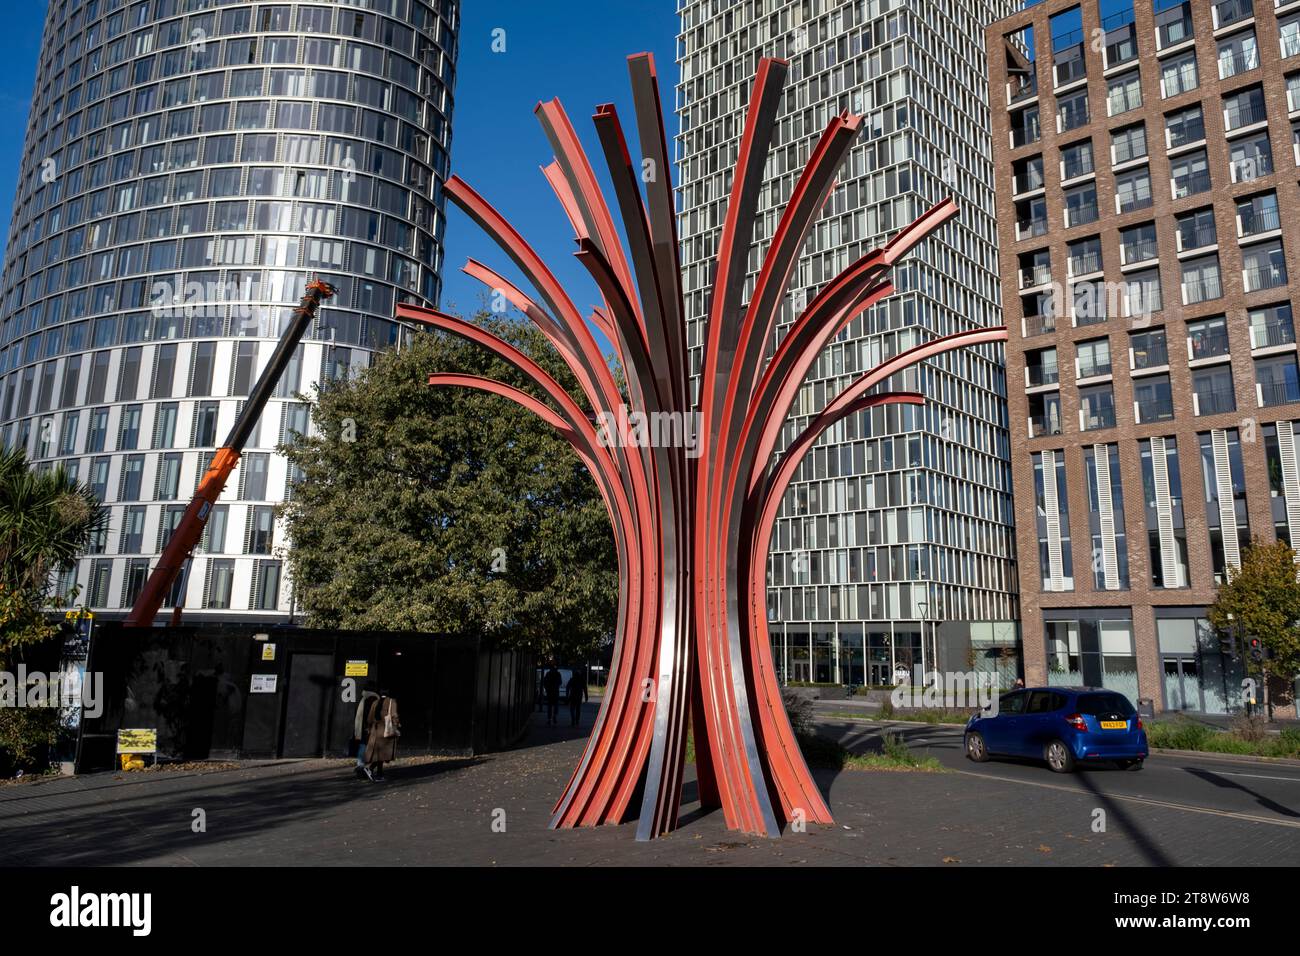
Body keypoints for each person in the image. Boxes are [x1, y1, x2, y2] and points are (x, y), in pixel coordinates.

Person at [362, 691, 400, 781]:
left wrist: (369, 728)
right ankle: (371, 769)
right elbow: (394, 715)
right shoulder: (391, 701)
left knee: (378, 754)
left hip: (375, 731)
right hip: (386, 730)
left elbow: (369, 718)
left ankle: (378, 773)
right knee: (383, 754)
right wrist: (397, 725)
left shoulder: (375, 702)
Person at [352, 689, 378, 779]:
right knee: (367, 746)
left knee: (362, 745)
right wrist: (368, 726)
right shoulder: (372, 698)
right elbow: (370, 714)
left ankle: (360, 766)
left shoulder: (363, 698)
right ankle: (363, 767)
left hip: (362, 727)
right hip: (367, 727)